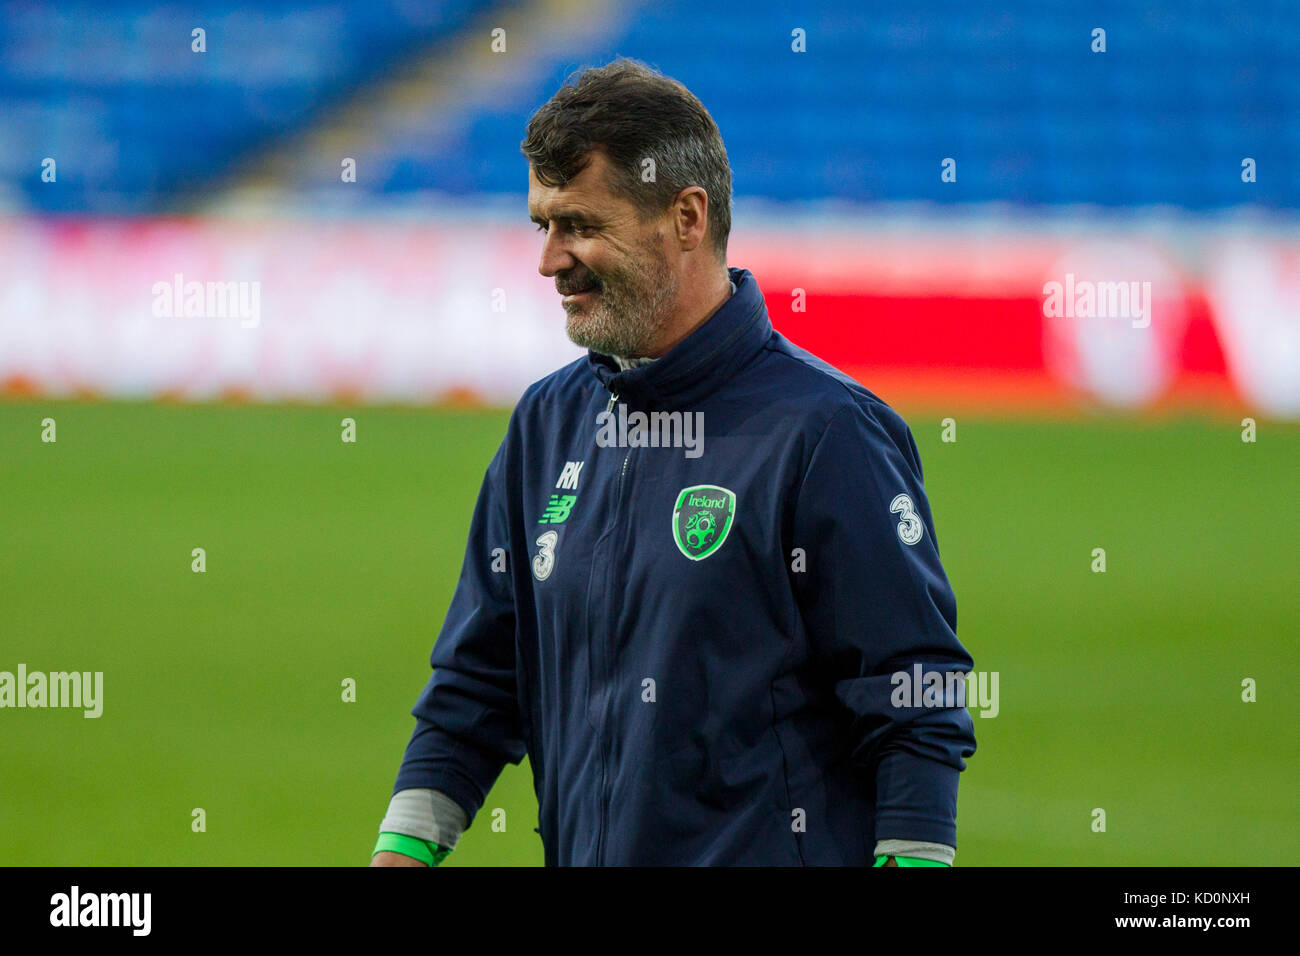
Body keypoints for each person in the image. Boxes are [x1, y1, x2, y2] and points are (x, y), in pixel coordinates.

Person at [371, 58, 976, 867]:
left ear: (686, 216)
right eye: (542, 226)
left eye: (580, 224)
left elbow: (914, 697)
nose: (551, 260)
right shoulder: (547, 425)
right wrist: (400, 855)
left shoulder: (828, 432)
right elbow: (476, 686)